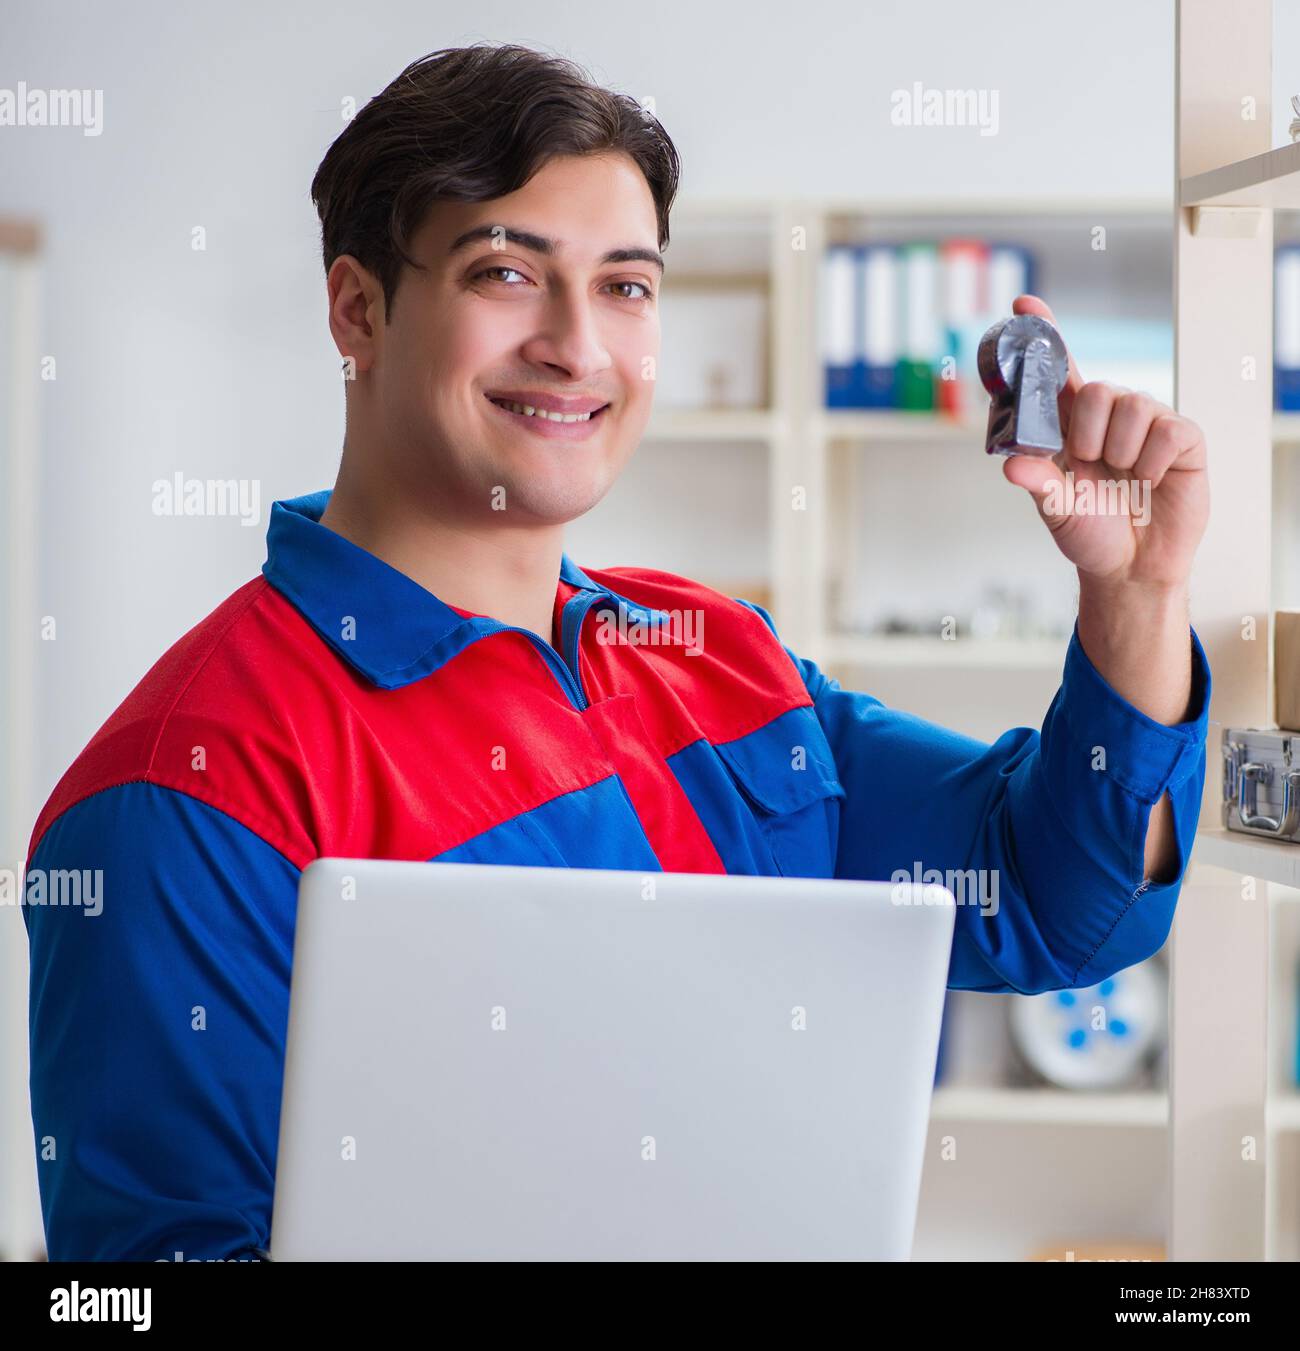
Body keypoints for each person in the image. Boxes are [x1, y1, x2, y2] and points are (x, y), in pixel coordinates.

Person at [23, 43, 1211, 1261]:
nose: (577, 345)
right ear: (358, 308)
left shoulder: (713, 657)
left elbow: (1056, 907)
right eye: (505, 273)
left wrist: (1133, 592)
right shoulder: (185, 790)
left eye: (627, 286)